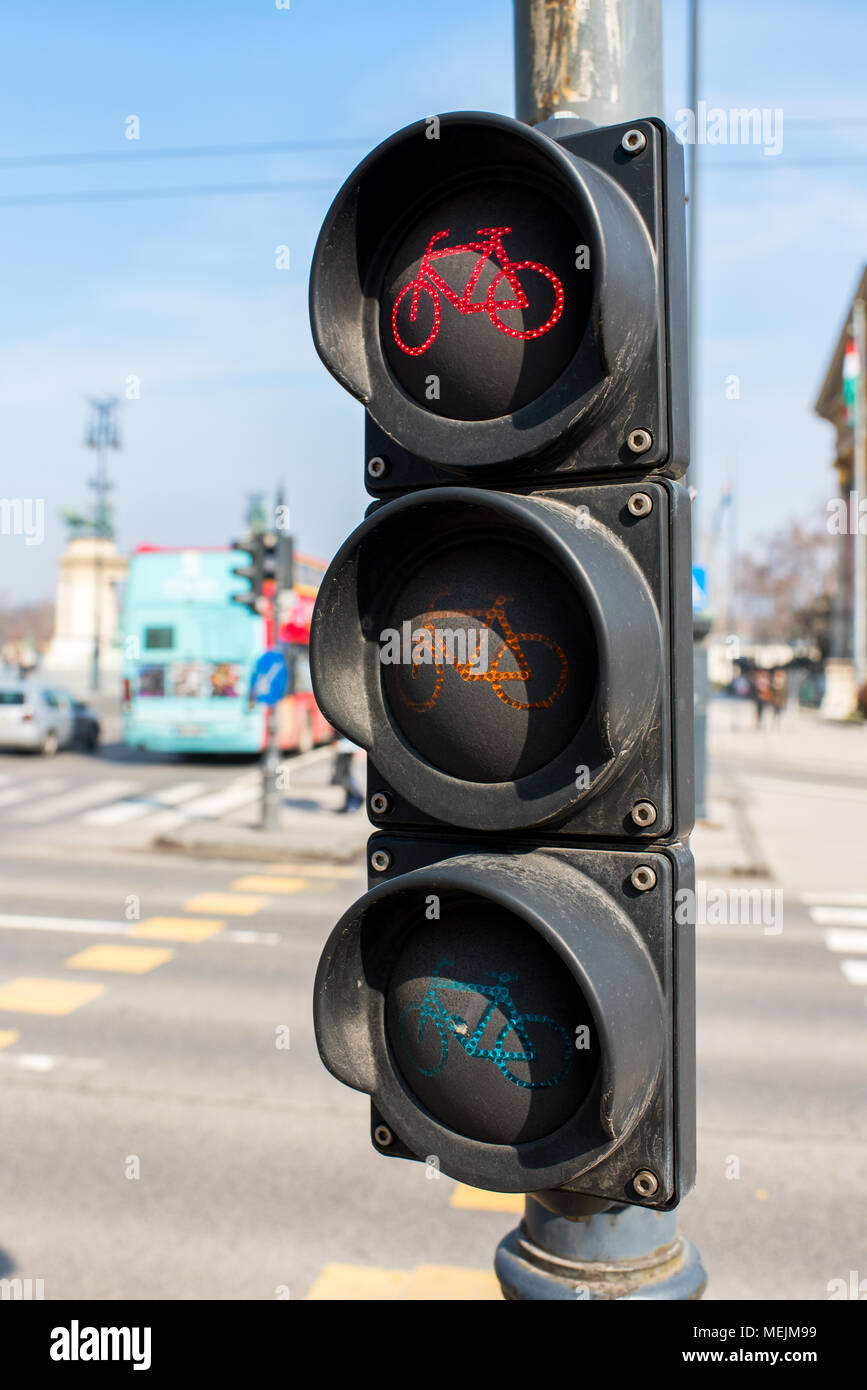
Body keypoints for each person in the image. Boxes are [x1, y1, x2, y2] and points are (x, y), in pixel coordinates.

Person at [332, 736, 363, 812]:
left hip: (346, 747)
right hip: (346, 746)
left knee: (344, 776)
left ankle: (358, 797)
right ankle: (349, 803)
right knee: (345, 775)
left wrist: (339, 744)